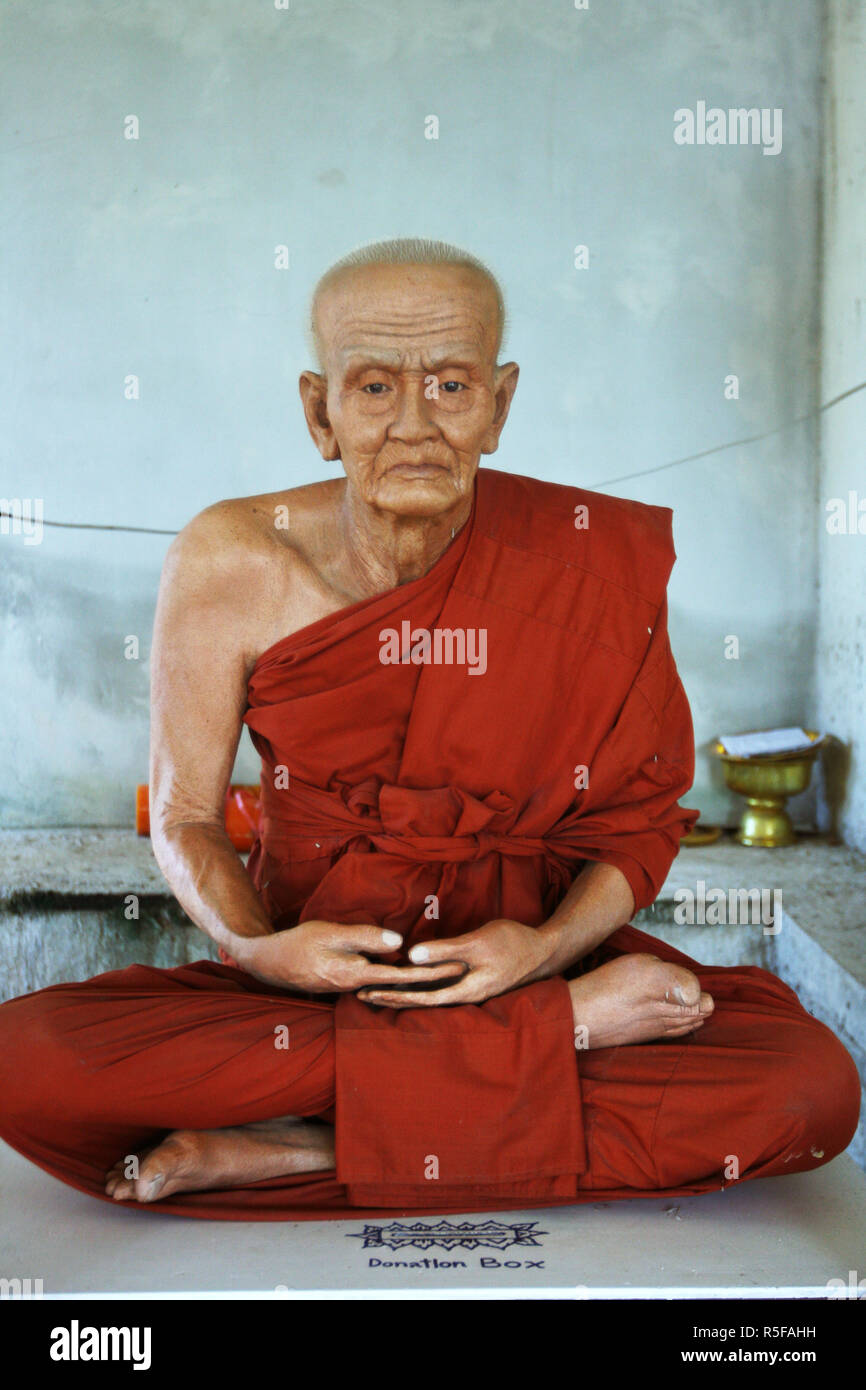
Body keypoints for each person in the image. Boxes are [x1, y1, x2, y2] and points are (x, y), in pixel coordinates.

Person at [0, 239, 858, 1219]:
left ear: (498, 403)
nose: (414, 424)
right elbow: (186, 818)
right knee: (28, 1062)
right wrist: (258, 948)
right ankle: (533, 1056)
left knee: (806, 1086)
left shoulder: (588, 562)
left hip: (532, 964)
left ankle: (299, 1143)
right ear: (318, 412)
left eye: (449, 384)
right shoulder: (231, 558)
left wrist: (540, 963)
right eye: (374, 387)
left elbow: (637, 823)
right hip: (311, 993)